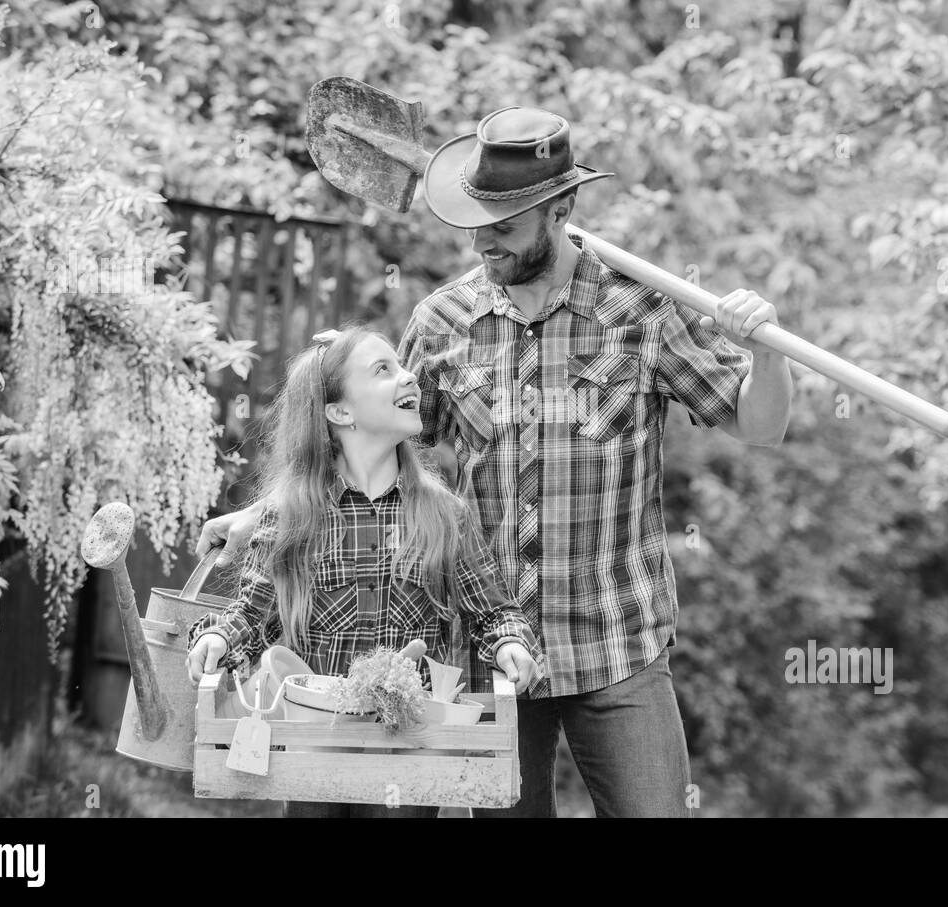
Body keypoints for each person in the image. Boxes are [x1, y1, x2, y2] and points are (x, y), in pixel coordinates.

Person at [200, 106, 792, 817]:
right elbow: (371, 460)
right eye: (477, 222)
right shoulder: (443, 322)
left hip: (618, 643)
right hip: (488, 652)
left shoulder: (642, 312)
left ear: (561, 209)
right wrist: (261, 516)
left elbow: (761, 425)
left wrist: (766, 349)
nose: (484, 242)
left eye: (505, 227)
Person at [185, 326, 541, 818]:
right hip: (315, 746)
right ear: (340, 412)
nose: (409, 376)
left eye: (401, 365)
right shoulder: (293, 515)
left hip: (410, 749)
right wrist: (220, 639)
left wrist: (510, 643)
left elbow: (492, 612)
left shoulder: (443, 514)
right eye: (383, 370)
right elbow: (251, 613)